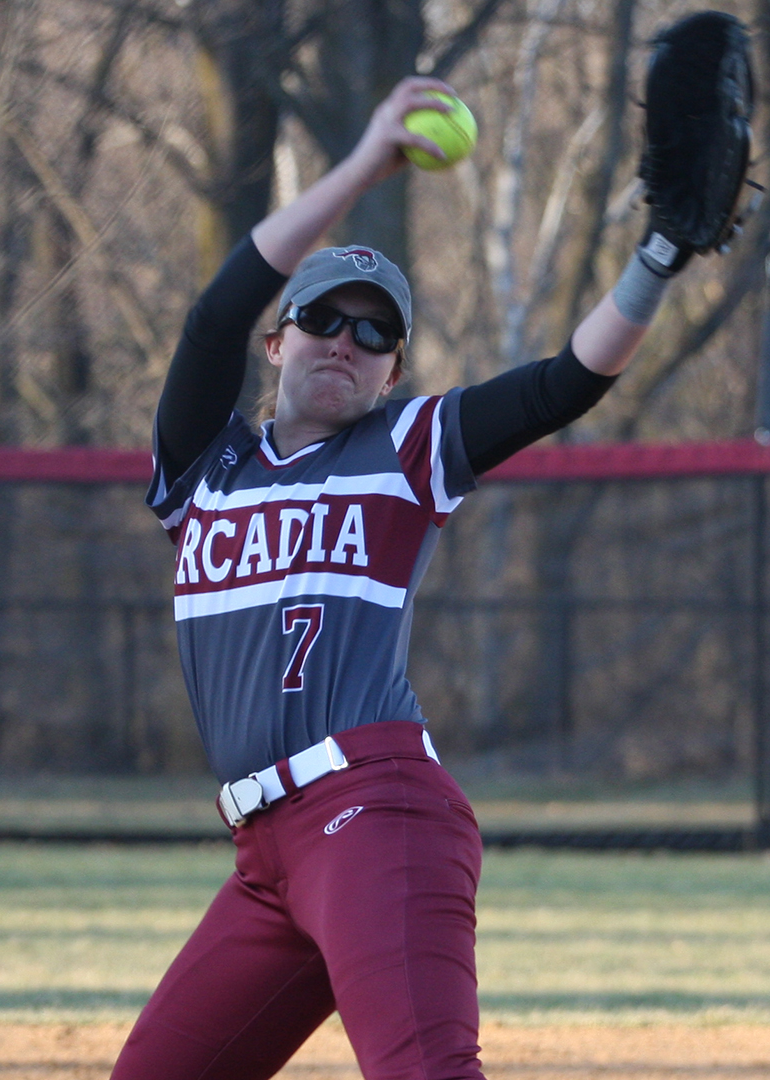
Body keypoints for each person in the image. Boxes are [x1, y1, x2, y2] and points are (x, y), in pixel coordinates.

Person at [114, 73, 717, 1080]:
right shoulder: (204, 466)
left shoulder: (405, 446)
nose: (347, 343)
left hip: (376, 817)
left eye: (377, 333)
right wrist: (365, 164)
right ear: (279, 341)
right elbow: (209, 320)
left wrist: (657, 261)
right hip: (263, 859)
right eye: (324, 319)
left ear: (394, 373)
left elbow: (564, 382)